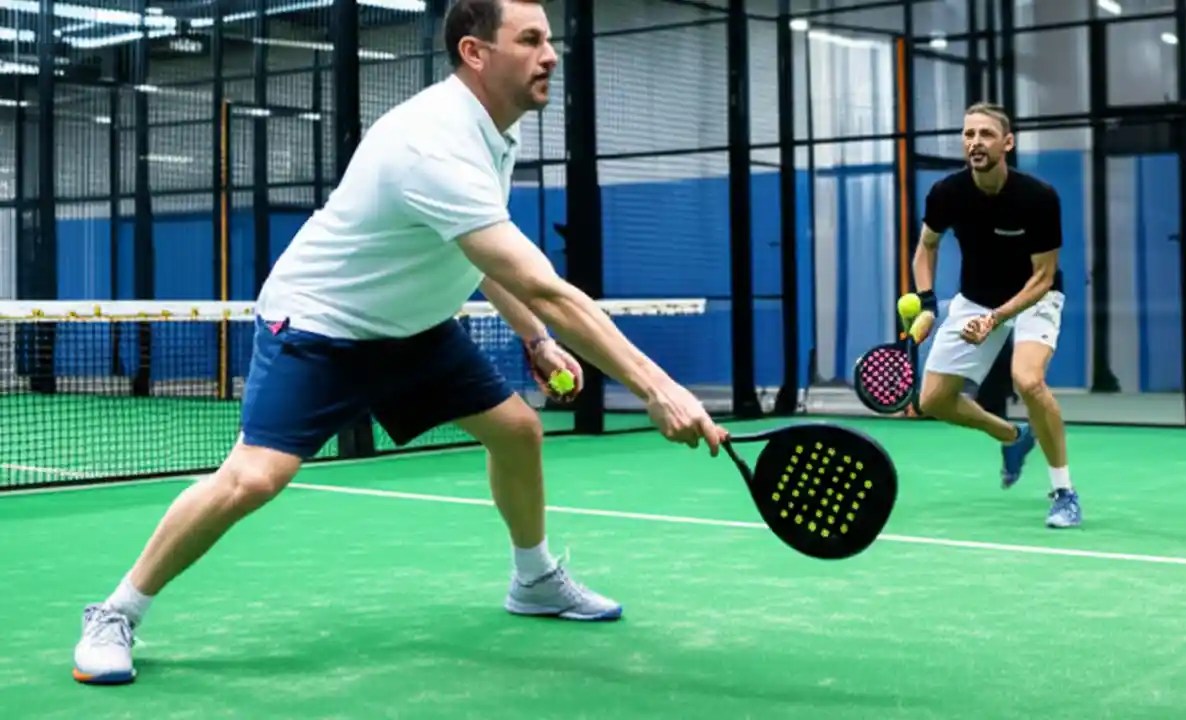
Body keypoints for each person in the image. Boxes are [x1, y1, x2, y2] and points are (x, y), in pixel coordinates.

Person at [72, 0, 727, 685]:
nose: (550, 54)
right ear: (476, 53)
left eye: (550, 40)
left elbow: (486, 257)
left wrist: (533, 341)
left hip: (413, 330)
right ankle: (116, 612)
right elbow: (546, 286)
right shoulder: (432, 142)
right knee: (254, 478)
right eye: (531, 39)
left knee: (517, 431)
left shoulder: (494, 133)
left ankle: (533, 580)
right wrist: (660, 389)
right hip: (322, 325)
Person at [907, 102, 1081, 530]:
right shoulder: (946, 193)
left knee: (1028, 380)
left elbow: (1043, 276)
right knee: (933, 401)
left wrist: (996, 318)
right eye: (968, 135)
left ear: (1007, 142)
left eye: (985, 134)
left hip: (1034, 297)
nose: (975, 143)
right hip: (976, 298)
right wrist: (928, 303)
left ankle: (1064, 492)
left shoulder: (1038, 198)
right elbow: (926, 247)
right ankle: (1013, 436)